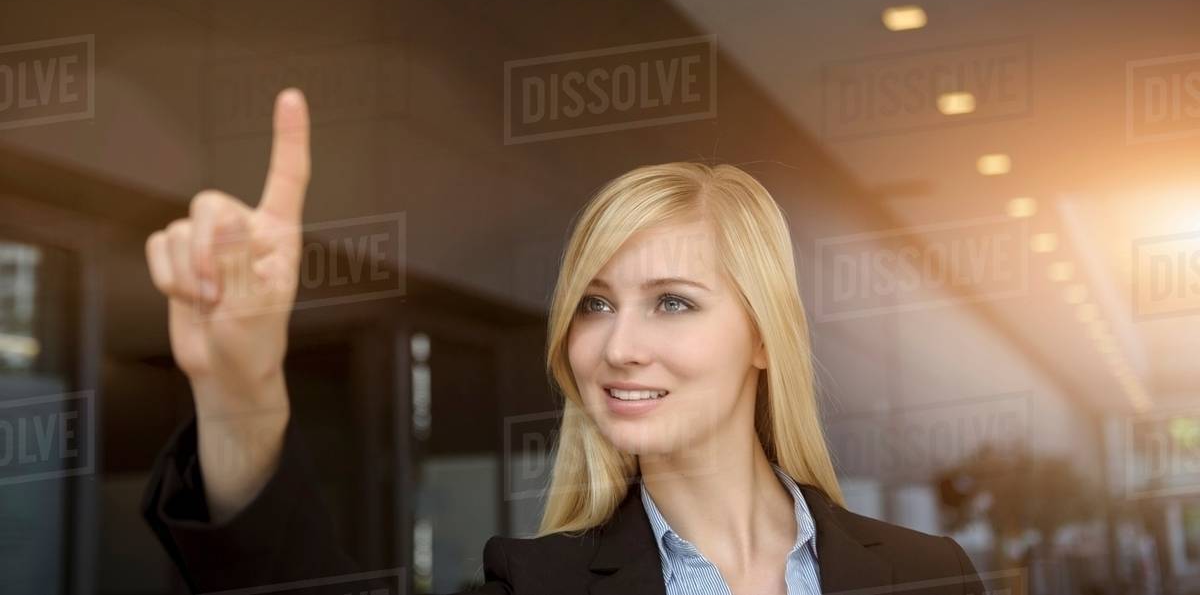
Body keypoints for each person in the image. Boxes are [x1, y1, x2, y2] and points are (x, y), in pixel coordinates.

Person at [141, 89, 986, 595]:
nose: (616, 346)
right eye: (593, 304)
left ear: (763, 335)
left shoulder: (926, 573)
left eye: (673, 303)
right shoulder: (537, 584)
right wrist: (242, 393)